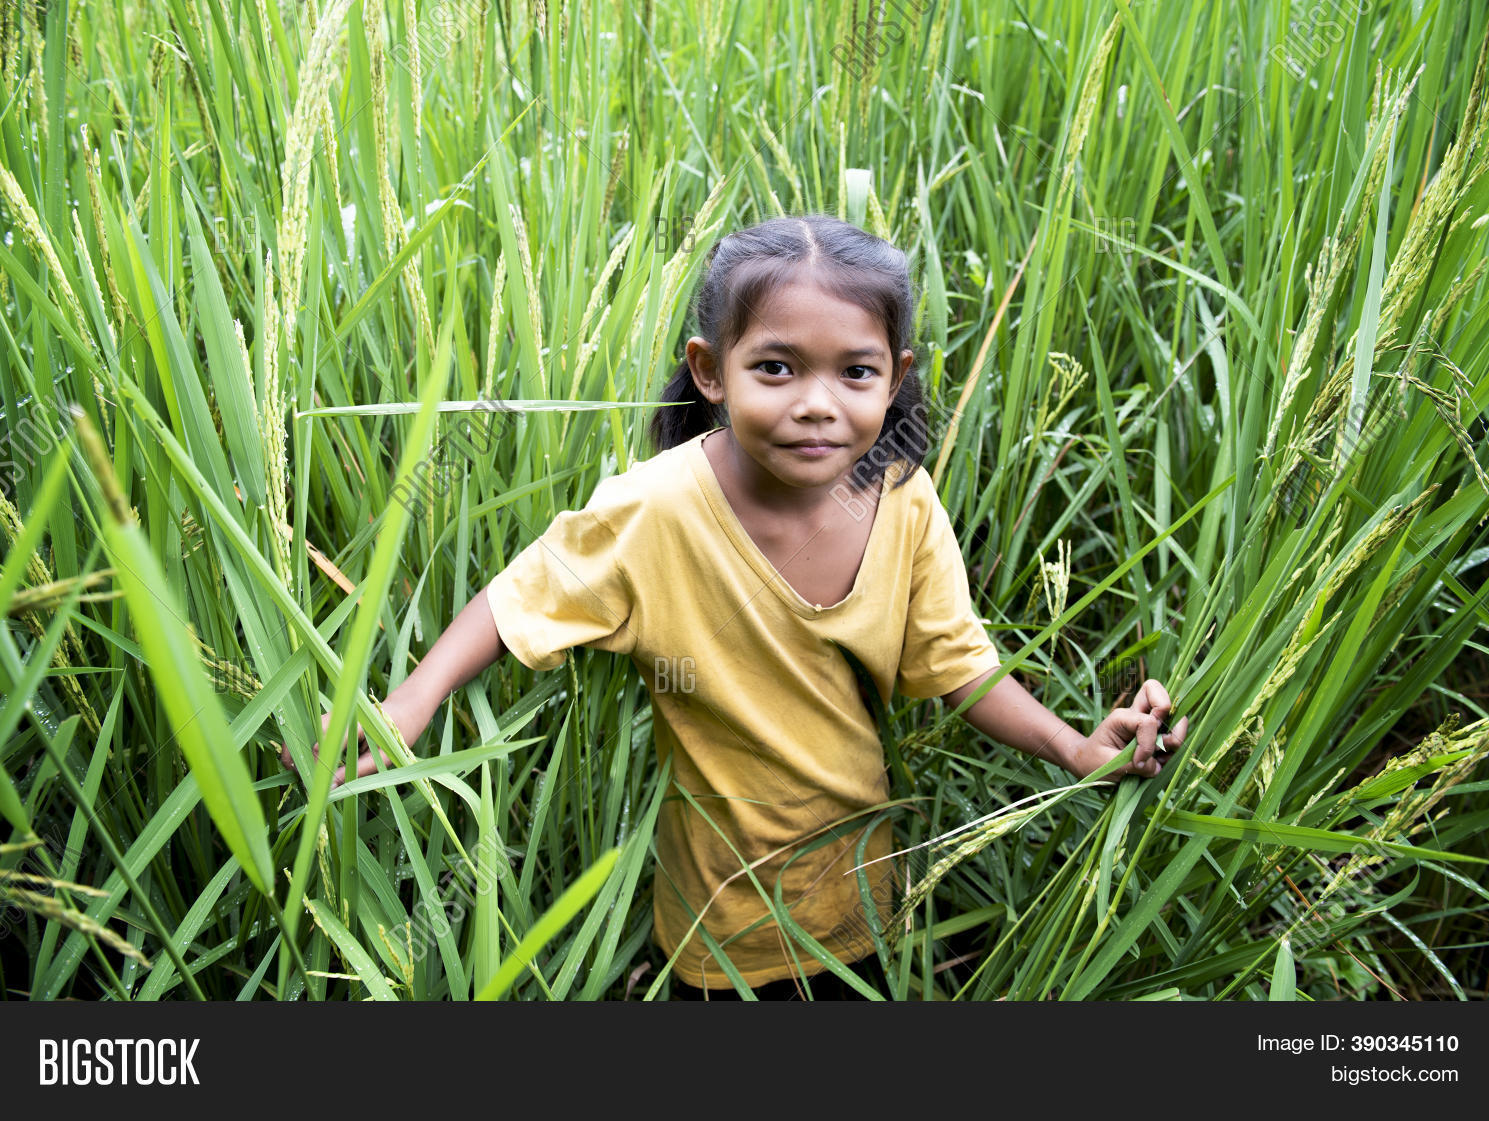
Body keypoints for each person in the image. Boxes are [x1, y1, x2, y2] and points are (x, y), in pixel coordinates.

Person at [282, 214, 1189, 1000]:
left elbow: (960, 665)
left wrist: (1076, 747)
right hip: (720, 933)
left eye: (857, 373)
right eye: (778, 368)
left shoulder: (904, 499)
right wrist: (411, 702)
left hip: (865, 901)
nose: (818, 406)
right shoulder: (656, 510)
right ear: (711, 371)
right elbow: (519, 596)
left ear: (896, 374)